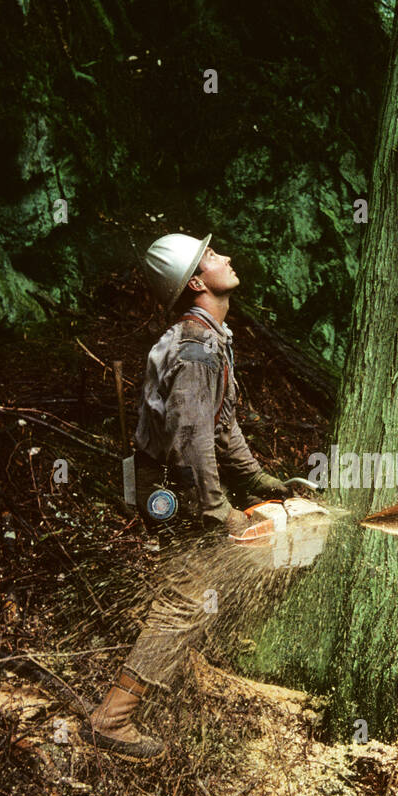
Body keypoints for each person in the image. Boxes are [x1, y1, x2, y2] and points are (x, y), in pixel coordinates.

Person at [83, 232, 292, 763]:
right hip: (170, 490)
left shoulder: (210, 337)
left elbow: (222, 426)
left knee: (198, 592)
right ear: (198, 282)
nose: (226, 257)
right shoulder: (197, 349)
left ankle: (180, 673)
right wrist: (220, 511)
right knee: (184, 597)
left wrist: (259, 480)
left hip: (177, 482)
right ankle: (112, 719)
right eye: (212, 256)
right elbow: (192, 440)